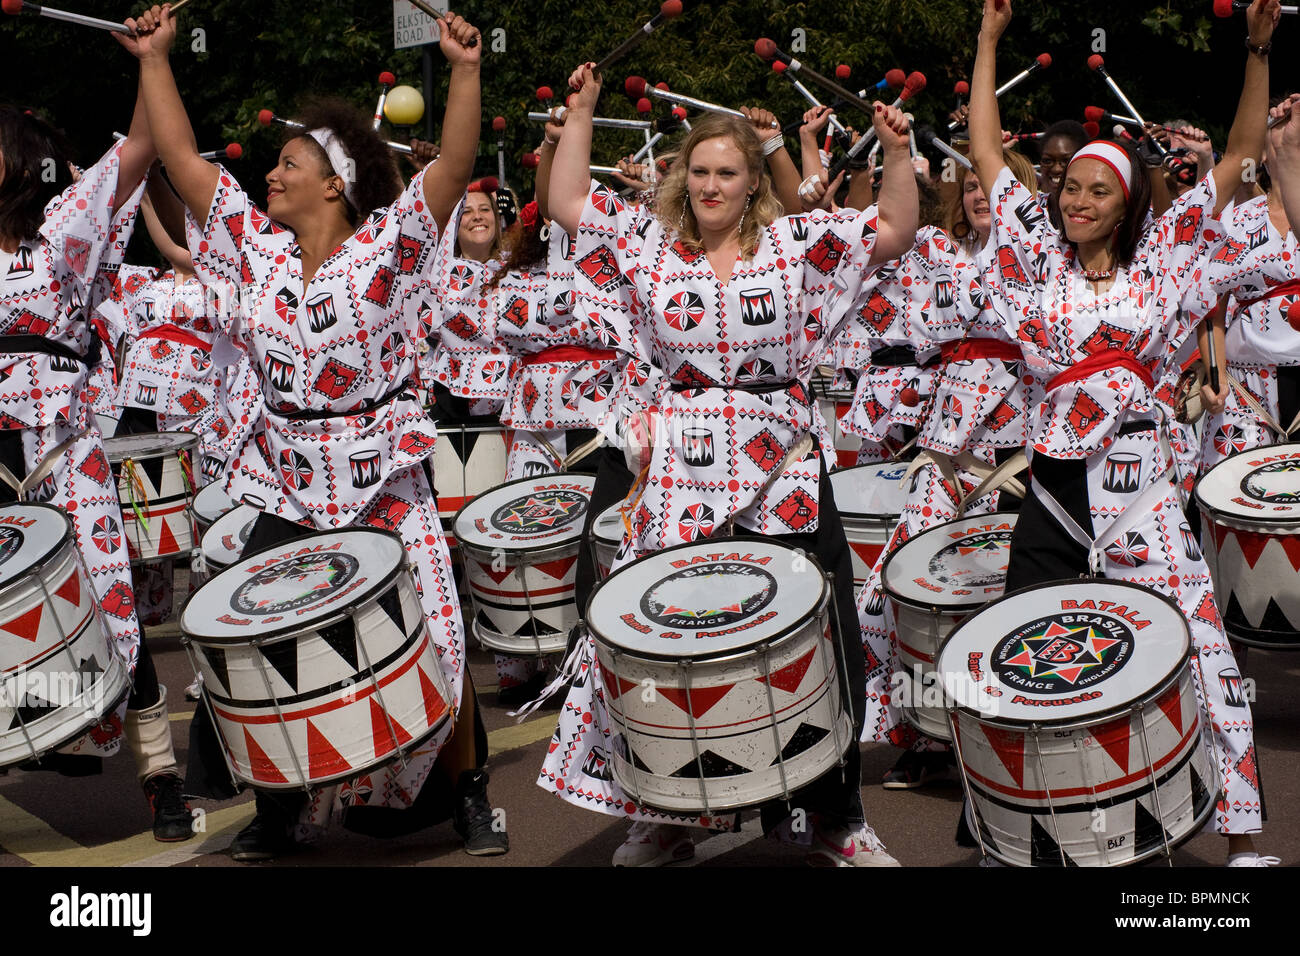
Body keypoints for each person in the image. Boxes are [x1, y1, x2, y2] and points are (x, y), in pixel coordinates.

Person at [124, 3, 506, 860]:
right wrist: (154, 58)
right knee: (260, 635)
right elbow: (183, 162)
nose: (270, 172)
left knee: (437, 631)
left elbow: (452, 164)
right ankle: (280, 808)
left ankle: (470, 795)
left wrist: (467, 69)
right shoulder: (252, 247)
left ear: (333, 183)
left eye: (288, 162)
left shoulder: (386, 249)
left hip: (381, 473)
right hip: (285, 472)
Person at [542, 61, 918, 867]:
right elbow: (565, 201)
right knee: (670, 636)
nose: (711, 186)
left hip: (780, 461)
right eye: (700, 171)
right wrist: (583, 112)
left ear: (754, 184)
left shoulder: (794, 243)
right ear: (683, 177)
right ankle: (673, 815)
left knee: (822, 628)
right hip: (680, 464)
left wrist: (895, 151)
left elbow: (893, 230)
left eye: (728, 173)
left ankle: (838, 815)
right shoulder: (648, 242)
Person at [969, 0, 1287, 866]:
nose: (1075, 200)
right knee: (1024, 659)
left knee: (1200, 645)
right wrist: (990, 41)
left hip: (1141, 489)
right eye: (1069, 187)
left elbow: (1240, 155)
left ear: (1126, 204)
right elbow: (990, 153)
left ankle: (1243, 837)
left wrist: (1256, 50)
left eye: (1095, 190)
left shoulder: (1167, 260)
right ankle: (1030, 833)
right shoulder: (1034, 263)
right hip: (1053, 492)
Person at [853, 150, 1038, 780]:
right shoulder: (936, 251)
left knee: (993, 588)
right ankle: (923, 735)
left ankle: (1000, 733)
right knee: (907, 578)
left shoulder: (1046, 258)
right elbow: (875, 236)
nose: (980, 194)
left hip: (1020, 444)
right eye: (970, 187)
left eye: (992, 184)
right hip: (946, 439)